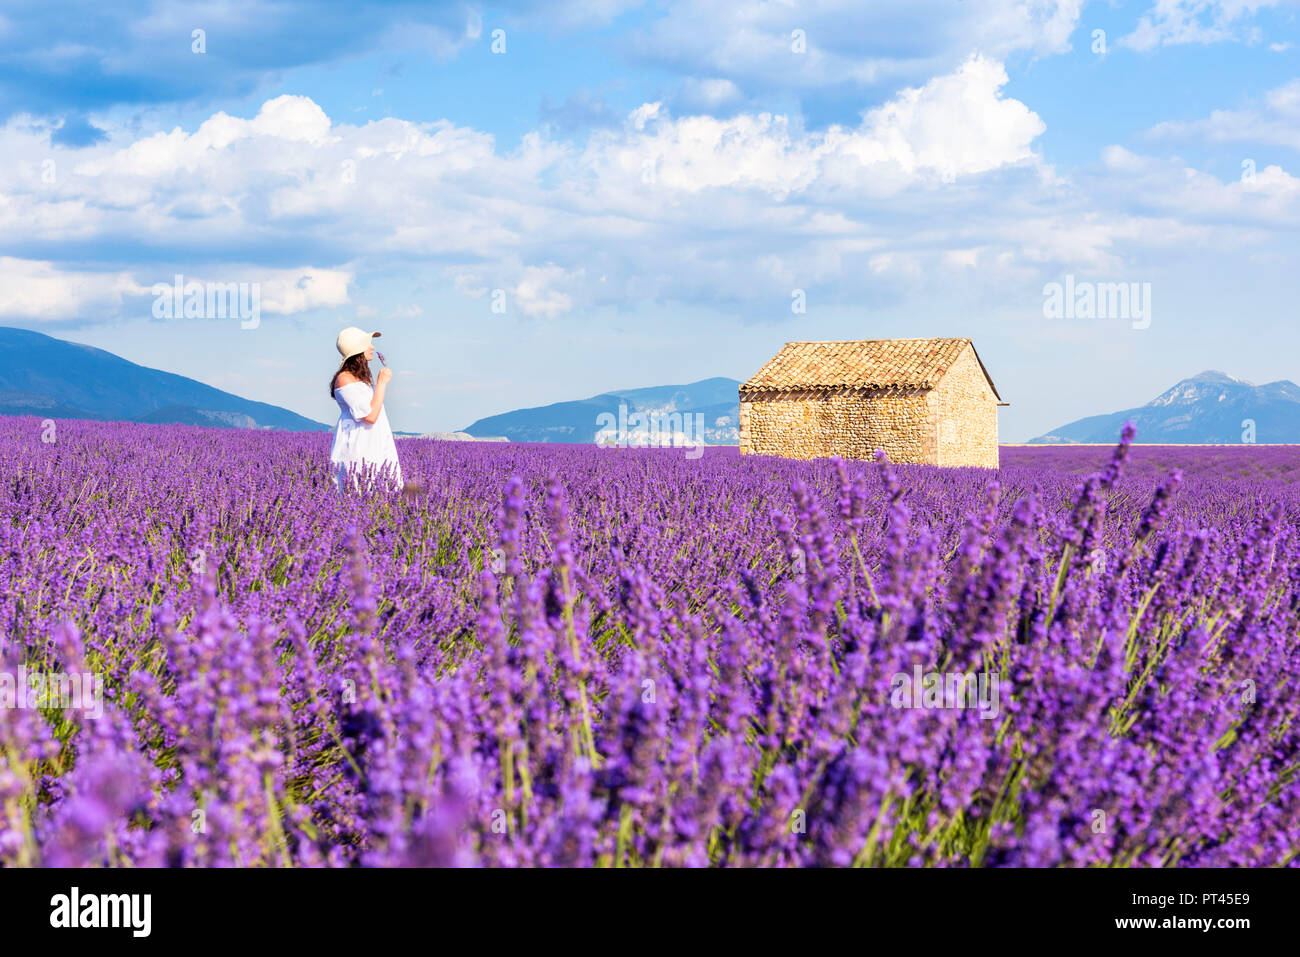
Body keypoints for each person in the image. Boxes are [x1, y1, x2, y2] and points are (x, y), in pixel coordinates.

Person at [329, 327, 402, 492]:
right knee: (357, 494)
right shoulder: (344, 379)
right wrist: (382, 382)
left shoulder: (357, 379)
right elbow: (370, 416)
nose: (372, 347)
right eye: (368, 344)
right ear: (357, 350)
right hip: (358, 449)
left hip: (372, 444)